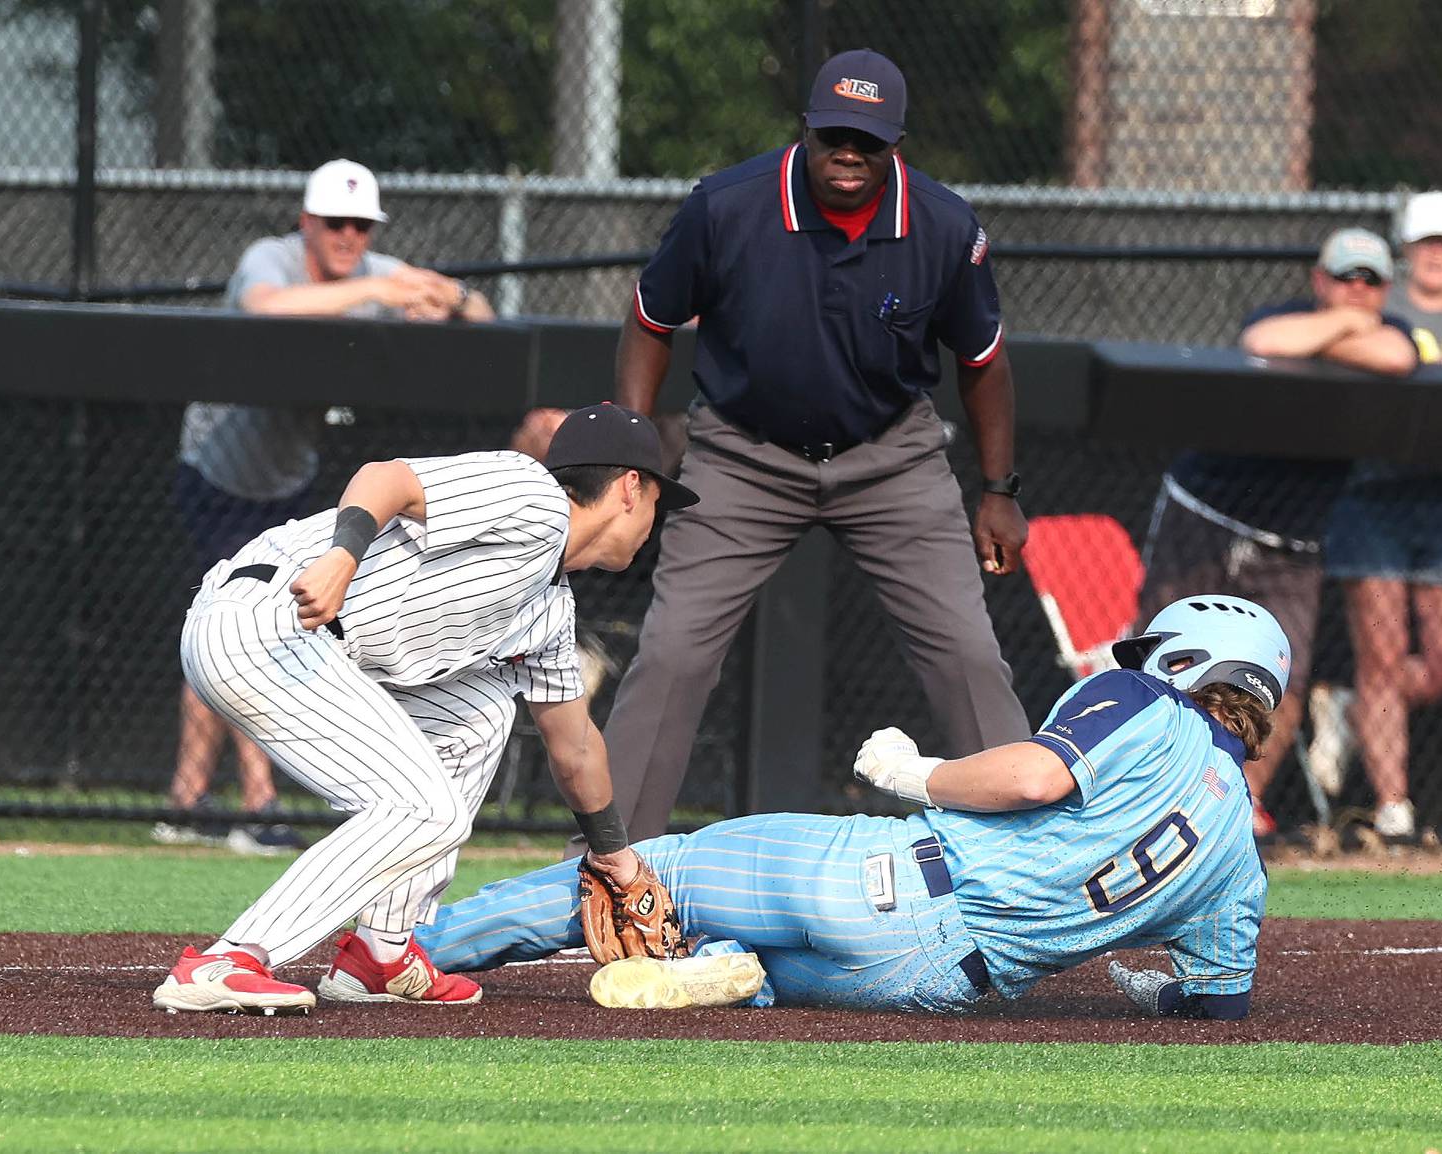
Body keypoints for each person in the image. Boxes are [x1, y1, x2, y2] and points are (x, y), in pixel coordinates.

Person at [419, 595, 1285, 1019]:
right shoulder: (1240, 860)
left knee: (646, 868)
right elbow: (1219, 1001)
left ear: (1189, 660)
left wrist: (921, 773)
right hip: (940, 983)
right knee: (750, 958)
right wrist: (1158, 995)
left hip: (890, 882)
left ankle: (407, 954)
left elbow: (1034, 779)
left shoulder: (1148, 703)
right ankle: (729, 972)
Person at [595, 49, 1032, 844]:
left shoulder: (942, 224)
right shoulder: (728, 205)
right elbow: (650, 322)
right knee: (673, 654)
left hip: (890, 457)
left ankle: (1033, 865)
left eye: (867, 140)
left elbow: (983, 363)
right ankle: (607, 870)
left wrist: (999, 487)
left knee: (967, 654)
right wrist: (633, 445)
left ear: (895, 143)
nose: (849, 154)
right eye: (835, 134)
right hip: (742, 453)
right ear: (807, 128)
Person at [151, 403, 700, 1015]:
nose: (655, 520)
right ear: (631, 487)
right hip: (267, 621)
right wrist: (342, 556)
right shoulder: (532, 494)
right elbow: (386, 478)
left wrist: (615, 856)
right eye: (657, 500)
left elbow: (574, 746)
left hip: (314, 650)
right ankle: (231, 959)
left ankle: (380, 953)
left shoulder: (548, 608)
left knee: (483, 715)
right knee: (424, 808)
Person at [155, 158, 495, 855]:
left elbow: (483, 317)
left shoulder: (375, 269)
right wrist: (379, 288)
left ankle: (188, 799)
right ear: (306, 221)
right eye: (335, 223)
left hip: (289, 477)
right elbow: (266, 307)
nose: (347, 236)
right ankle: (254, 803)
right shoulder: (273, 258)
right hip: (222, 472)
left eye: (360, 226)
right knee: (245, 628)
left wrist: (447, 299)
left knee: (251, 626)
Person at [1136, 228, 1419, 838]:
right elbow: (1265, 341)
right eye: (1346, 278)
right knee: (1162, 655)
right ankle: (1145, 797)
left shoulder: (1394, 333)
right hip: (1208, 507)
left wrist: (1330, 338)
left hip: (1295, 538)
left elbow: (1399, 357)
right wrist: (1347, 327)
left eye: (1370, 281)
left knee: (1279, 674)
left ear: (1387, 289)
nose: (1357, 291)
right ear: (1320, 280)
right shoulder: (1282, 313)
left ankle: (1235, 806)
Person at [1307, 194, 1442, 838]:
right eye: (1425, 241)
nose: (1436, 253)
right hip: (1373, 495)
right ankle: (1393, 807)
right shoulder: (1382, 309)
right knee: (1382, 655)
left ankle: (1346, 708)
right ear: (1405, 246)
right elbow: (1389, 367)